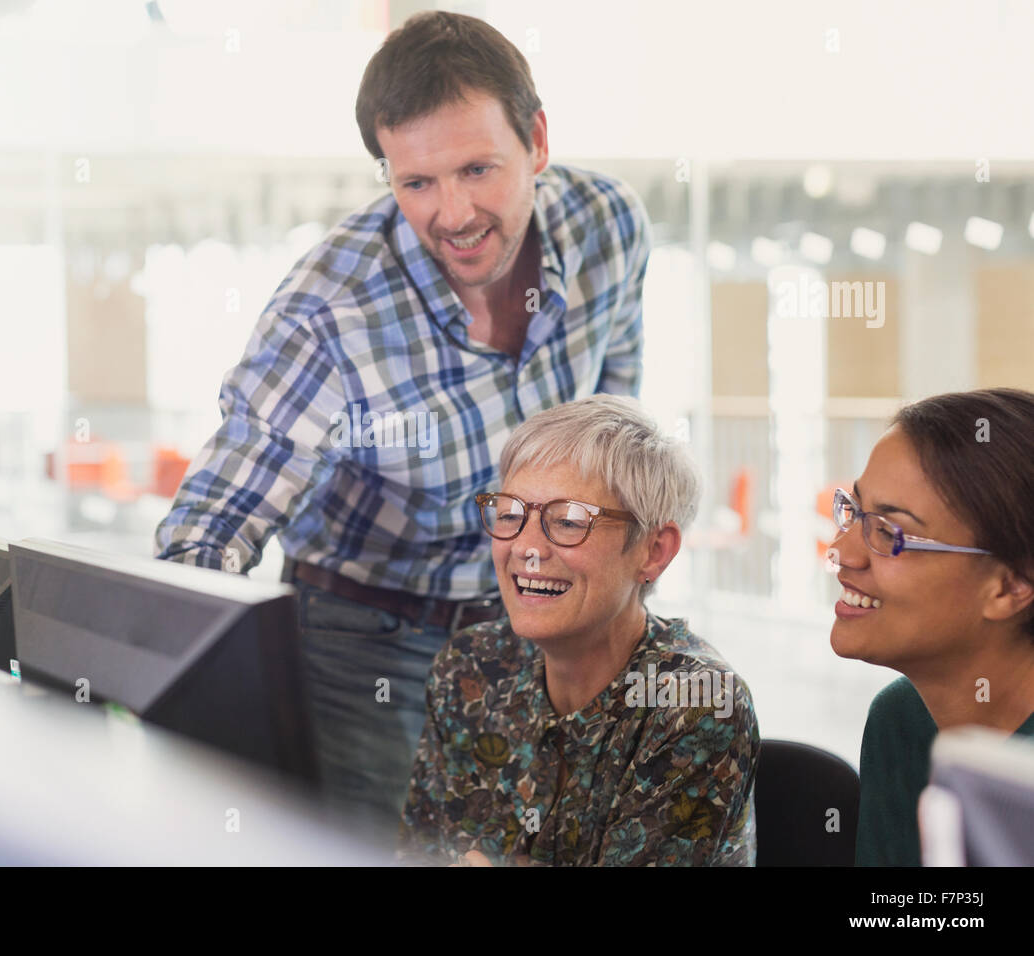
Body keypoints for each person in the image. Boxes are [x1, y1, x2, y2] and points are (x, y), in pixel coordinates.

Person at [155, 11, 652, 831]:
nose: (452, 214)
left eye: (477, 169)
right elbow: (218, 518)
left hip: (535, 629)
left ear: (537, 141)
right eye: (415, 182)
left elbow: (617, 412)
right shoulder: (331, 309)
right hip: (363, 641)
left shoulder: (609, 224)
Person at [399, 395, 759, 865]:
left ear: (654, 550)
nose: (525, 549)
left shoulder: (694, 702)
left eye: (567, 521)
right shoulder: (468, 668)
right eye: (509, 514)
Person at [829, 387, 1034, 866]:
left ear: (1010, 586)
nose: (841, 551)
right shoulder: (900, 719)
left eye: (888, 532)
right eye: (854, 513)